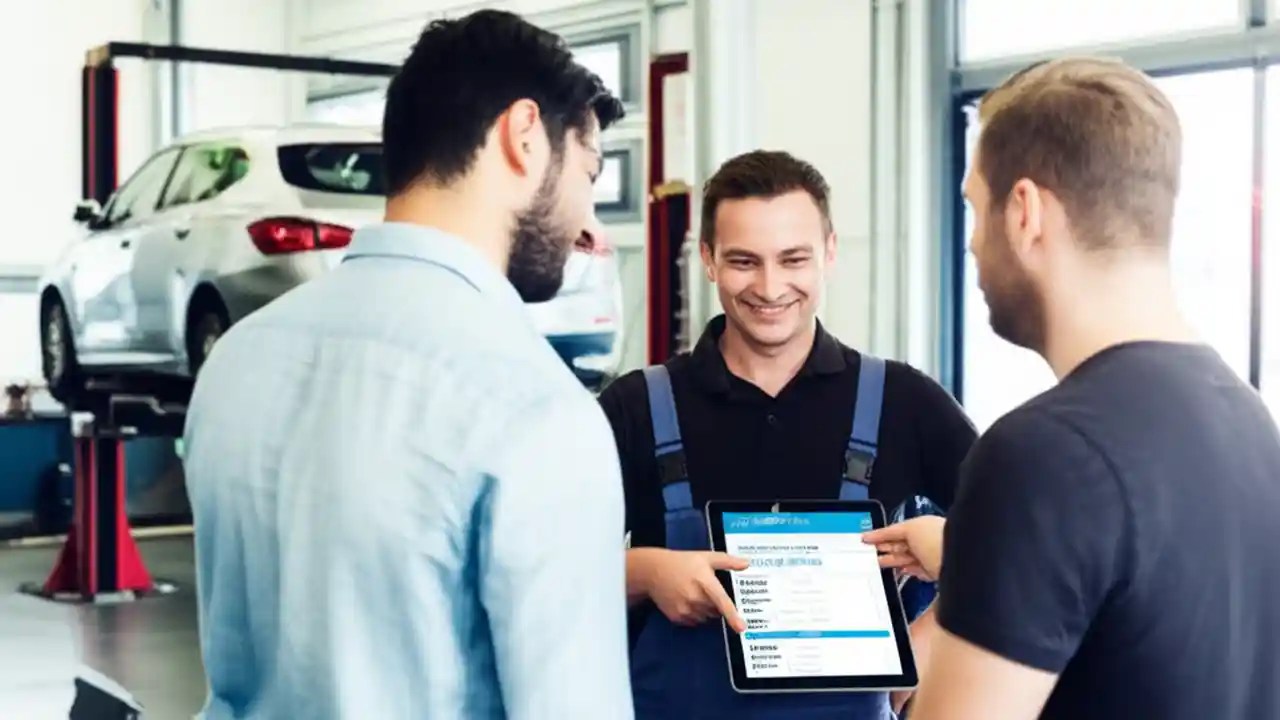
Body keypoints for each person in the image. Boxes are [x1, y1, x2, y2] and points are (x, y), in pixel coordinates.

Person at [182, 10, 633, 719]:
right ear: (523, 137)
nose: (588, 226)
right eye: (589, 172)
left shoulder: (238, 358)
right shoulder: (537, 410)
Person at [862, 57, 1280, 720]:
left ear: (1024, 212)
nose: (973, 244)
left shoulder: (1042, 454)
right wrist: (979, 563)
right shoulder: (1248, 420)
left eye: (974, 208)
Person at [598, 150, 977, 719]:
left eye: (793, 259)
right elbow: (548, 573)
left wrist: (924, 639)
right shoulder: (636, 408)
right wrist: (645, 573)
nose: (770, 287)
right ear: (708, 259)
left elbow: (1023, 555)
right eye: (744, 261)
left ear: (829, 252)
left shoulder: (905, 402)